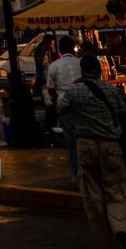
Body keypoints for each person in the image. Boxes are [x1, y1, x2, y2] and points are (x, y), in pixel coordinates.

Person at [58, 54, 126, 249]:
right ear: (100, 70)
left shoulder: (74, 91)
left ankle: (104, 243)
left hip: (86, 144)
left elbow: (61, 109)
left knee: (93, 195)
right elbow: (122, 110)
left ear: (82, 71)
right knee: (117, 191)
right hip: (110, 145)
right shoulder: (111, 90)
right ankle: (121, 228)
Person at [47, 36, 82, 173]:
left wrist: (58, 97)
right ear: (73, 47)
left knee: (72, 141)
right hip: (82, 105)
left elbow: (50, 89)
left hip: (65, 107)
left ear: (60, 49)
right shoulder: (80, 62)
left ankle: (76, 171)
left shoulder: (54, 66)